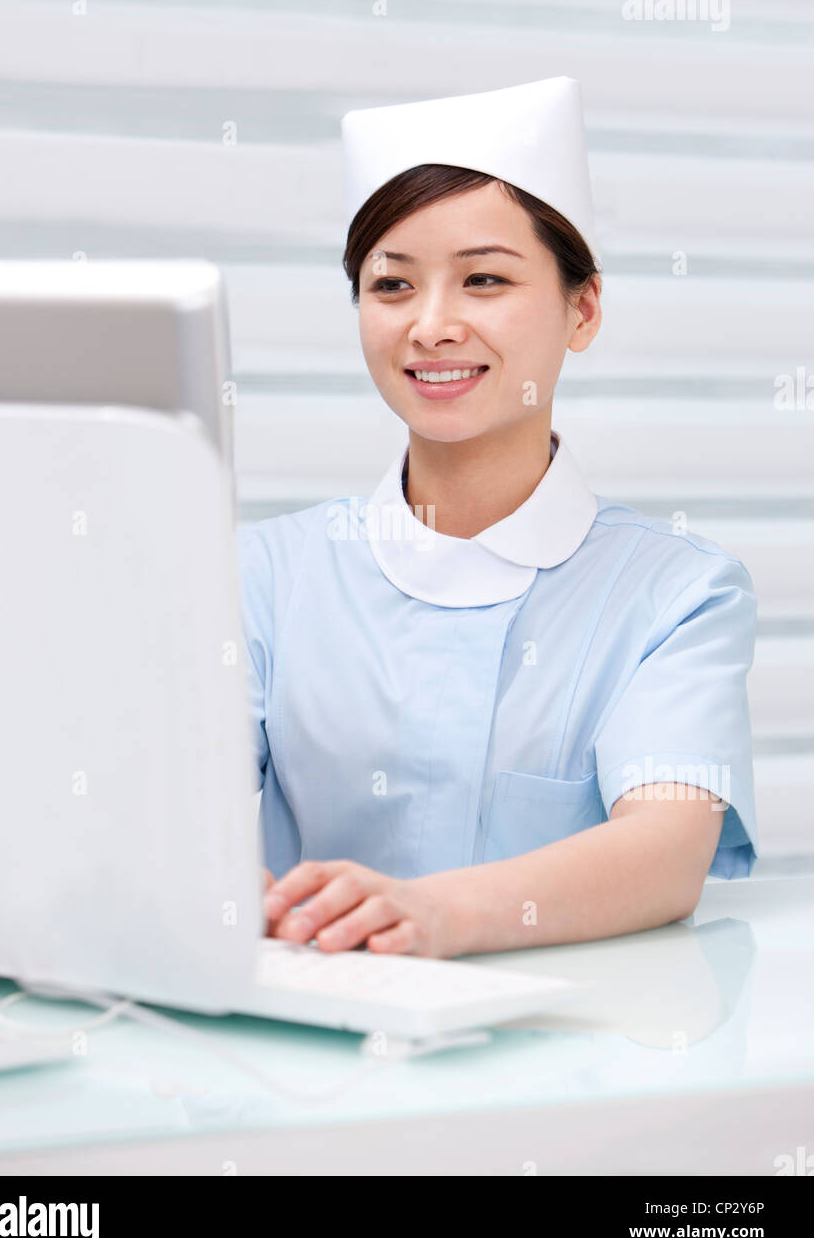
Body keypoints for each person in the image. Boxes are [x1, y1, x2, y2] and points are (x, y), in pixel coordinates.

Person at [240, 77, 758, 959]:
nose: (432, 326)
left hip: (576, 1061)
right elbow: (171, 813)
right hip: (312, 1056)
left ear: (582, 308)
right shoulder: (266, 573)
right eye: (391, 285)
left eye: (484, 279)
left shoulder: (678, 592)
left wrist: (439, 915)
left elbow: (666, 851)